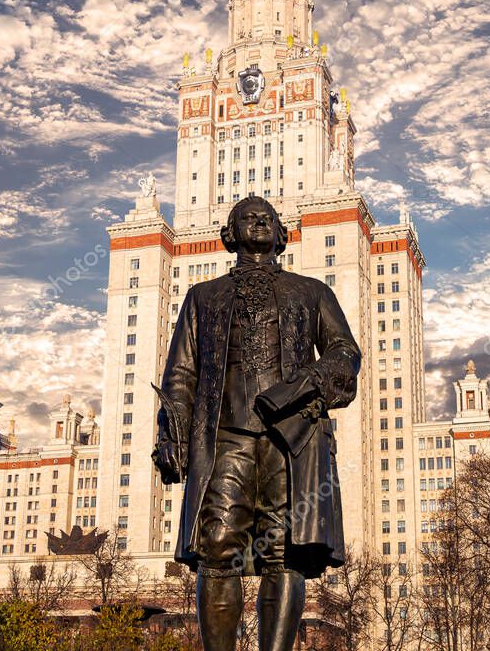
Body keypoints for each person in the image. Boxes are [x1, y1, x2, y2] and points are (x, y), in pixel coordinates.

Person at [153, 196, 361, 651]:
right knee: (216, 545)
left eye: (268, 217)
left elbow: (345, 353)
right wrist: (171, 435)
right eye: (247, 216)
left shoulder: (311, 292)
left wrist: (306, 383)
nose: (259, 220)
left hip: (291, 439)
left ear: (281, 233)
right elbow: (181, 375)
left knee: (283, 552)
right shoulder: (202, 296)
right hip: (224, 437)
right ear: (230, 233)